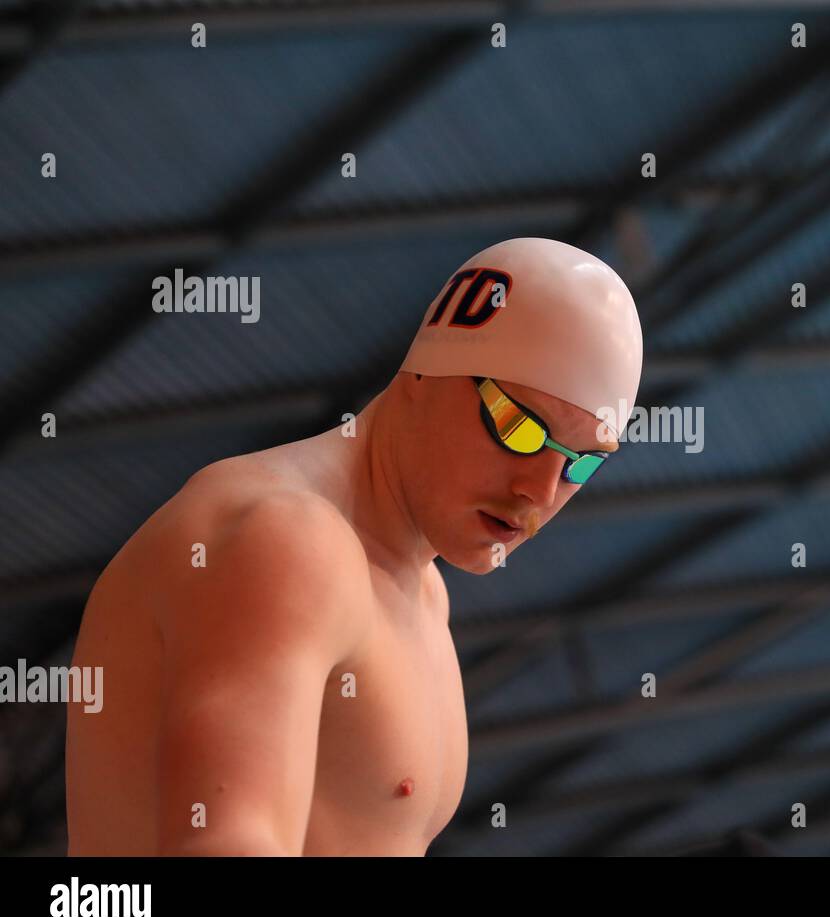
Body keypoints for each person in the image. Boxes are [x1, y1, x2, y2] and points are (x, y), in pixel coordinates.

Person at [65, 237, 643, 855]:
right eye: (518, 429)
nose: (540, 490)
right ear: (424, 372)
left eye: (580, 465)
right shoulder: (285, 538)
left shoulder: (423, 592)